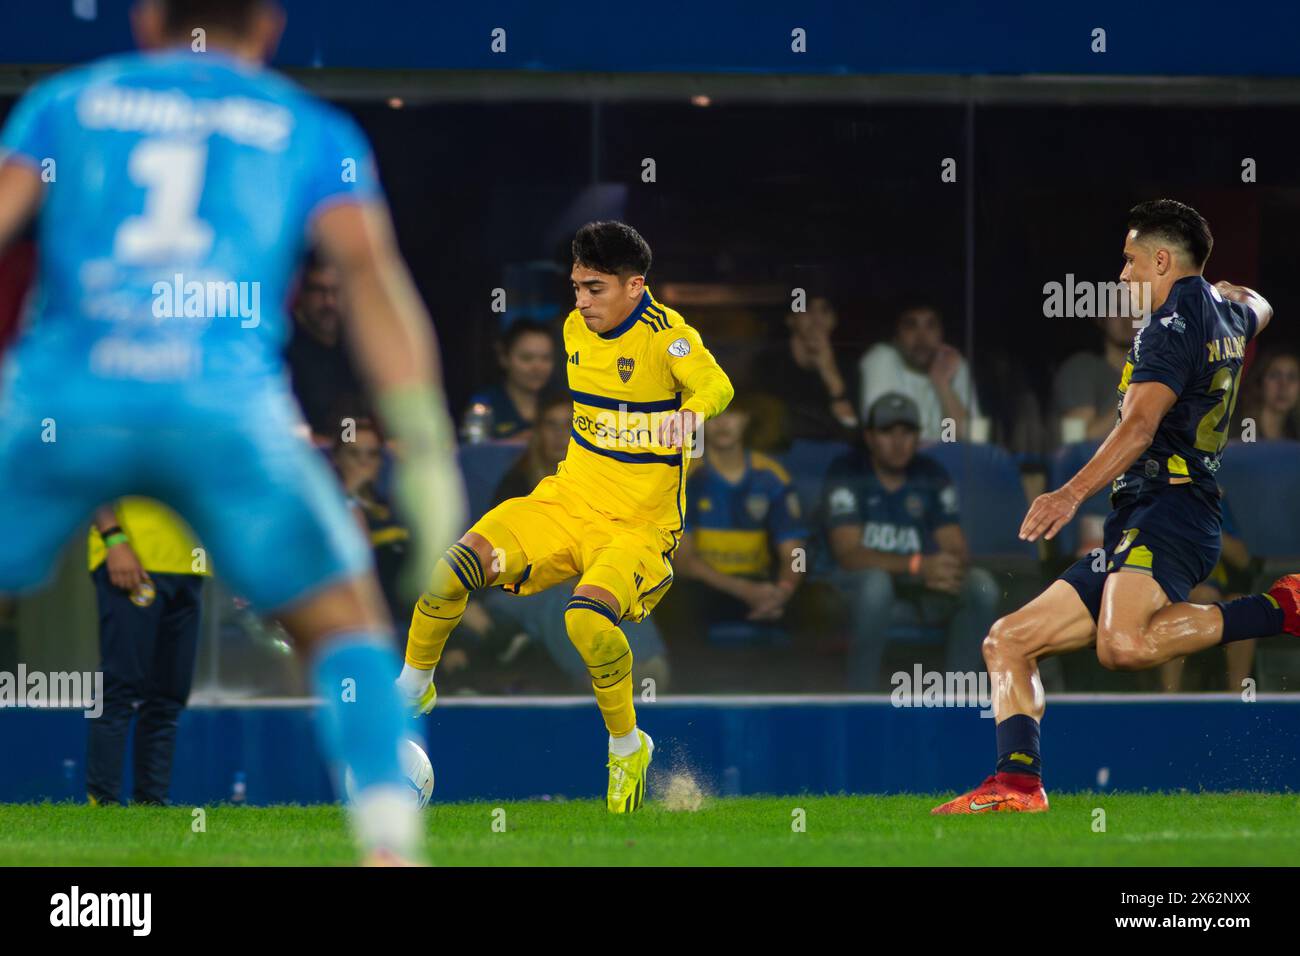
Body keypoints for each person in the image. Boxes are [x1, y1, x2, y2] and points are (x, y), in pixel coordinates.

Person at [0, 0, 466, 863]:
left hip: (66, 397)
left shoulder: (67, 102)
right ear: (270, 24)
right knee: (346, 623)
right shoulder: (308, 128)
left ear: (146, 21)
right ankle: (392, 847)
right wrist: (426, 438)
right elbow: (369, 280)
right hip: (223, 407)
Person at [934, 199, 1299, 815]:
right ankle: (1018, 786)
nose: (1122, 276)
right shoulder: (1229, 312)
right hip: (1150, 514)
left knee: (1122, 647)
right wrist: (1232, 291)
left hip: (1170, 509)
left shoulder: (1167, 330)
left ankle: (1278, 608)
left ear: (1161, 259)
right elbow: (1259, 306)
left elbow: (1136, 430)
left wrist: (1067, 493)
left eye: (1130, 261)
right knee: (1007, 641)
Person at [397, 220, 734, 813]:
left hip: (637, 528)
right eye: (576, 286)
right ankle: (414, 686)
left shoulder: (667, 336)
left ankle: (628, 745)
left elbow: (714, 381)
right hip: (566, 501)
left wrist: (692, 413)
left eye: (595, 288)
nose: (581, 301)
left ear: (635, 287)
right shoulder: (575, 327)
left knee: (586, 622)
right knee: (451, 569)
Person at [464, 394, 671, 693]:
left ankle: (647, 669)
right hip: (519, 591)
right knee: (568, 598)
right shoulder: (518, 483)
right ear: (537, 433)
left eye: (570, 425)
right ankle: (598, 683)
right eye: (551, 425)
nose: (561, 434)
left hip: (584, 579)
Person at [823, 393, 997, 690]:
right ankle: (859, 698)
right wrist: (917, 565)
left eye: (907, 432)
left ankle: (955, 697)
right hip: (857, 591)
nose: (898, 441)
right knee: (876, 585)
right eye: (887, 432)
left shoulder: (929, 473)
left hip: (918, 590)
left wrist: (947, 568)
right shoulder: (848, 472)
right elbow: (848, 554)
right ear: (869, 436)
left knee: (982, 587)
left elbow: (954, 545)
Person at [86, 498, 208, 806]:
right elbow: (93, 477)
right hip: (133, 558)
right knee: (119, 686)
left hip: (189, 565)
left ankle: (151, 804)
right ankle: (102, 803)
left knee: (169, 695)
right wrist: (114, 540)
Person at [669, 397, 808, 634]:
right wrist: (744, 591)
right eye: (714, 414)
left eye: (733, 413)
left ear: (747, 419)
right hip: (700, 588)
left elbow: (798, 553)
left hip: (761, 585)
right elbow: (682, 563)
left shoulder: (772, 477)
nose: (723, 423)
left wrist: (783, 591)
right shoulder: (686, 476)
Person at [859, 305, 982, 442]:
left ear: (941, 334)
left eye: (930, 326)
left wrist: (942, 384)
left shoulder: (952, 364)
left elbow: (968, 442)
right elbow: (891, 446)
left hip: (942, 460)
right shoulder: (882, 359)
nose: (922, 338)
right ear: (896, 337)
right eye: (911, 326)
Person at [749, 297, 859, 446]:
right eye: (806, 309)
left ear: (834, 320)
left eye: (824, 310)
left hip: (832, 456)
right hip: (781, 453)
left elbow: (853, 431)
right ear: (790, 318)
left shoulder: (848, 366)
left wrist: (830, 373)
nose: (816, 318)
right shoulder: (768, 363)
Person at [285, 253, 365, 440]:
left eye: (335, 291)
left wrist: (347, 442)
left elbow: (353, 420)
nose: (329, 302)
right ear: (301, 295)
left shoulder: (359, 347)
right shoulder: (281, 347)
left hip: (354, 456)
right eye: (319, 291)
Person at [463, 318, 556, 442]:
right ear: (504, 357)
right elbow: (472, 453)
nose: (537, 367)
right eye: (527, 358)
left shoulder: (560, 404)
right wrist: (512, 446)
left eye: (546, 358)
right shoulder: (483, 406)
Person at [1053, 313, 1138, 443]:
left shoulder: (1162, 372)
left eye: (1137, 311)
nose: (1128, 318)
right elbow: (1076, 443)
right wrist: (1134, 395)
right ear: (1100, 319)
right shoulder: (1082, 368)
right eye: (1118, 309)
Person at [1235, 348, 1300, 441]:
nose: (1283, 386)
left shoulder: (1294, 433)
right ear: (1260, 382)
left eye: (1292, 377)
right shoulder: (1238, 427)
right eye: (1274, 375)